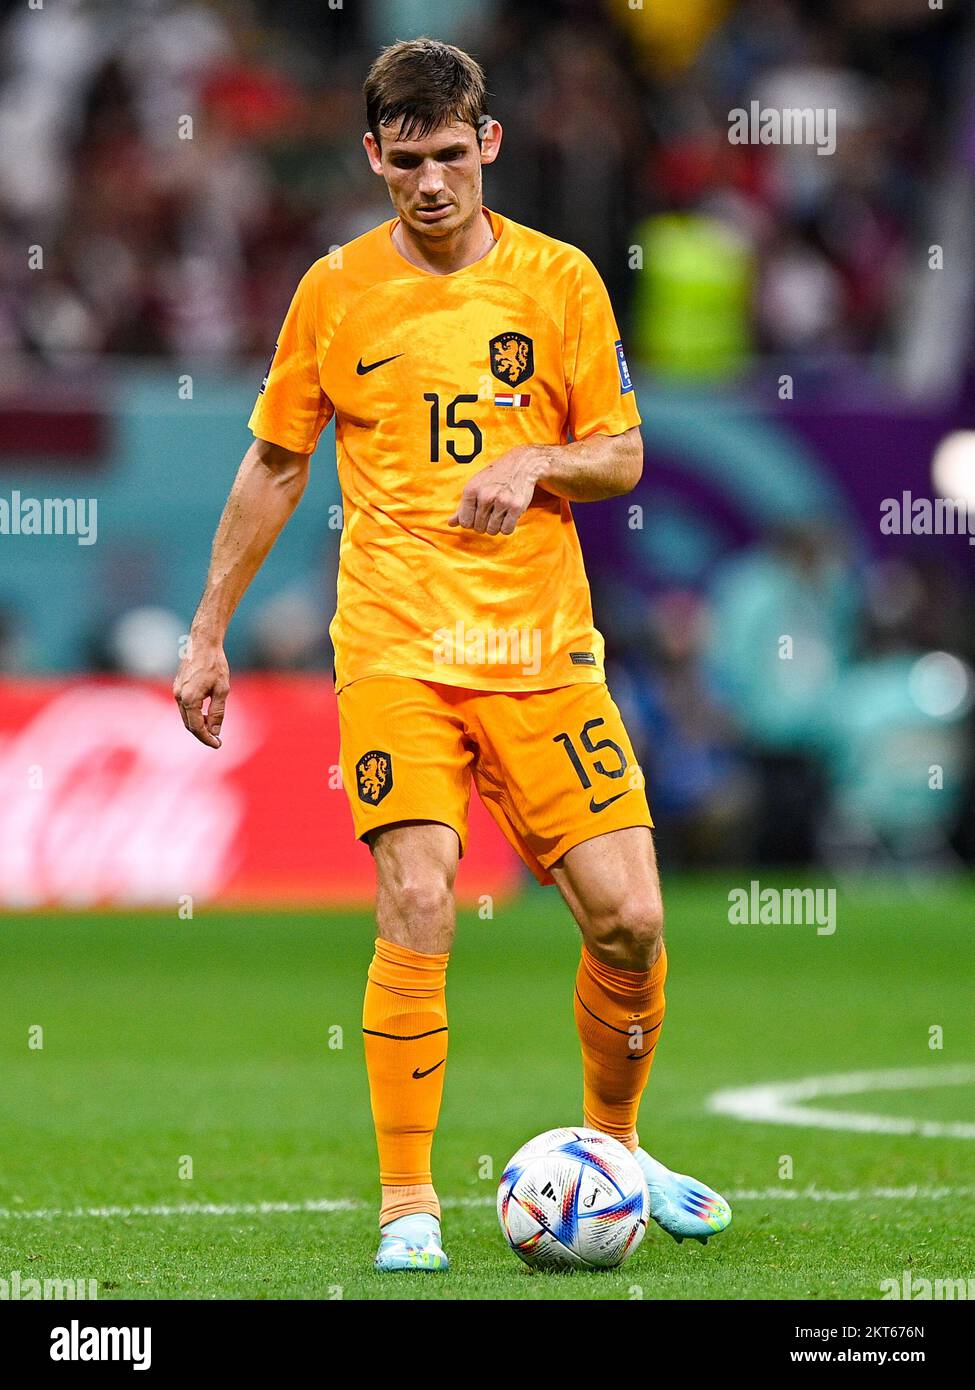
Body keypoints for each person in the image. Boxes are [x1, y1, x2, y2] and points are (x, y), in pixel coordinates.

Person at [173, 37, 731, 1272]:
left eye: (450, 157)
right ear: (373, 157)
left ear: (488, 143)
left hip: (541, 651)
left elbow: (623, 453)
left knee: (631, 920)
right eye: (404, 162)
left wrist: (536, 460)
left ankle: (614, 1149)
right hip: (397, 649)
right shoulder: (333, 291)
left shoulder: (562, 280)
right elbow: (275, 463)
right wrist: (207, 631)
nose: (430, 185)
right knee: (419, 894)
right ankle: (408, 1206)